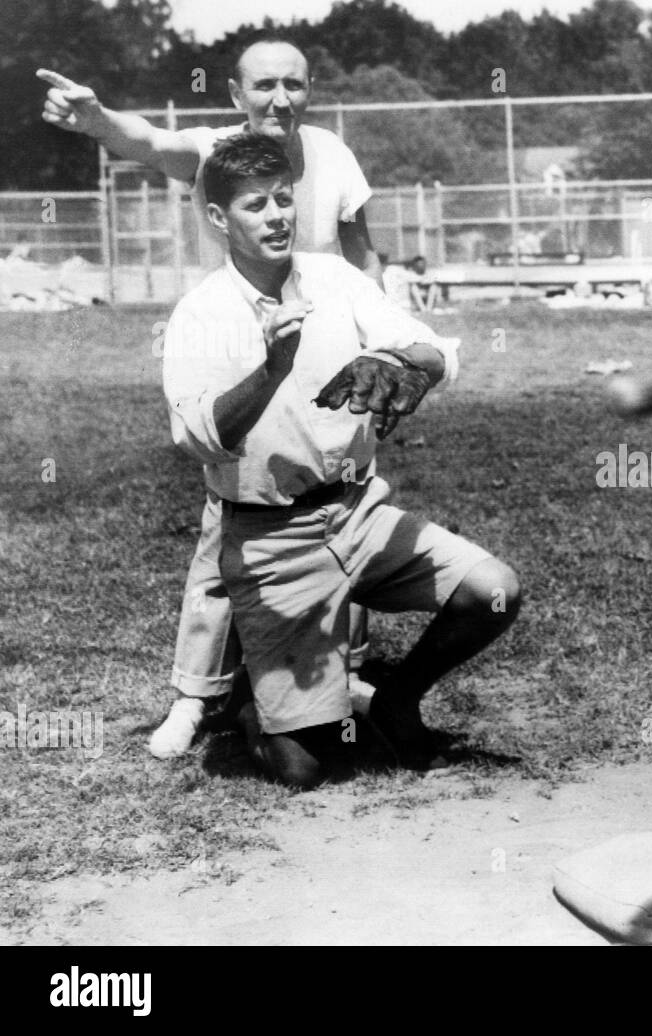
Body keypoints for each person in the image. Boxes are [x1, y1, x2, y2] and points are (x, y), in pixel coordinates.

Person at [38, 37, 385, 759]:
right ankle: (196, 696)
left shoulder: (332, 156)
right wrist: (98, 118)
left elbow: (363, 250)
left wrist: (379, 346)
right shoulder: (212, 151)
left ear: (311, 89)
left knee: (338, 509)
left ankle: (337, 673)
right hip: (237, 362)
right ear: (235, 93)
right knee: (230, 526)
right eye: (264, 86)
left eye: (294, 84)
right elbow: (149, 142)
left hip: (324, 362)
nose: (279, 99)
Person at [162, 134, 520, 787]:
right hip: (271, 537)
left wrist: (402, 362)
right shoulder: (201, 314)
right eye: (253, 206)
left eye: (282, 199)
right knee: (300, 769)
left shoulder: (332, 278)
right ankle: (251, 703)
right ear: (219, 220)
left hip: (360, 512)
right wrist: (272, 369)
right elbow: (198, 439)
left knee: (494, 591)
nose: (275, 216)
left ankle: (395, 697)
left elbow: (436, 348)